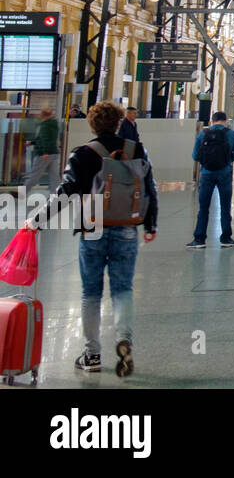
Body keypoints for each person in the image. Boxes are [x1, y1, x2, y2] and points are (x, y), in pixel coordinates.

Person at [53, 101, 158, 375]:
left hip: (93, 225)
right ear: (119, 123)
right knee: (122, 289)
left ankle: (92, 355)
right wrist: (150, 224)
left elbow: (66, 190)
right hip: (126, 224)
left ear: (92, 124)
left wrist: (36, 221)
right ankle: (124, 339)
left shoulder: (84, 153)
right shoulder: (136, 150)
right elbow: (150, 188)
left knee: (91, 292)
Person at [186, 110, 234, 249]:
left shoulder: (203, 134)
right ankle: (226, 238)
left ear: (212, 120)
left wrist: (207, 162)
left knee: (203, 208)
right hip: (225, 173)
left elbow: (195, 156)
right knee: (225, 206)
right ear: (225, 121)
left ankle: (199, 239)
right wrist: (227, 161)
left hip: (207, 173)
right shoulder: (232, 134)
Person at [25, 107, 60, 192]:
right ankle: (56, 198)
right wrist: (32, 142)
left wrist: (45, 152)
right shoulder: (54, 124)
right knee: (54, 177)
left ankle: (21, 194)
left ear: (42, 115)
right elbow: (48, 138)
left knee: (34, 175)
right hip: (53, 153)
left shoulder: (44, 125)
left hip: (43, 154)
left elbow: (45, 139)